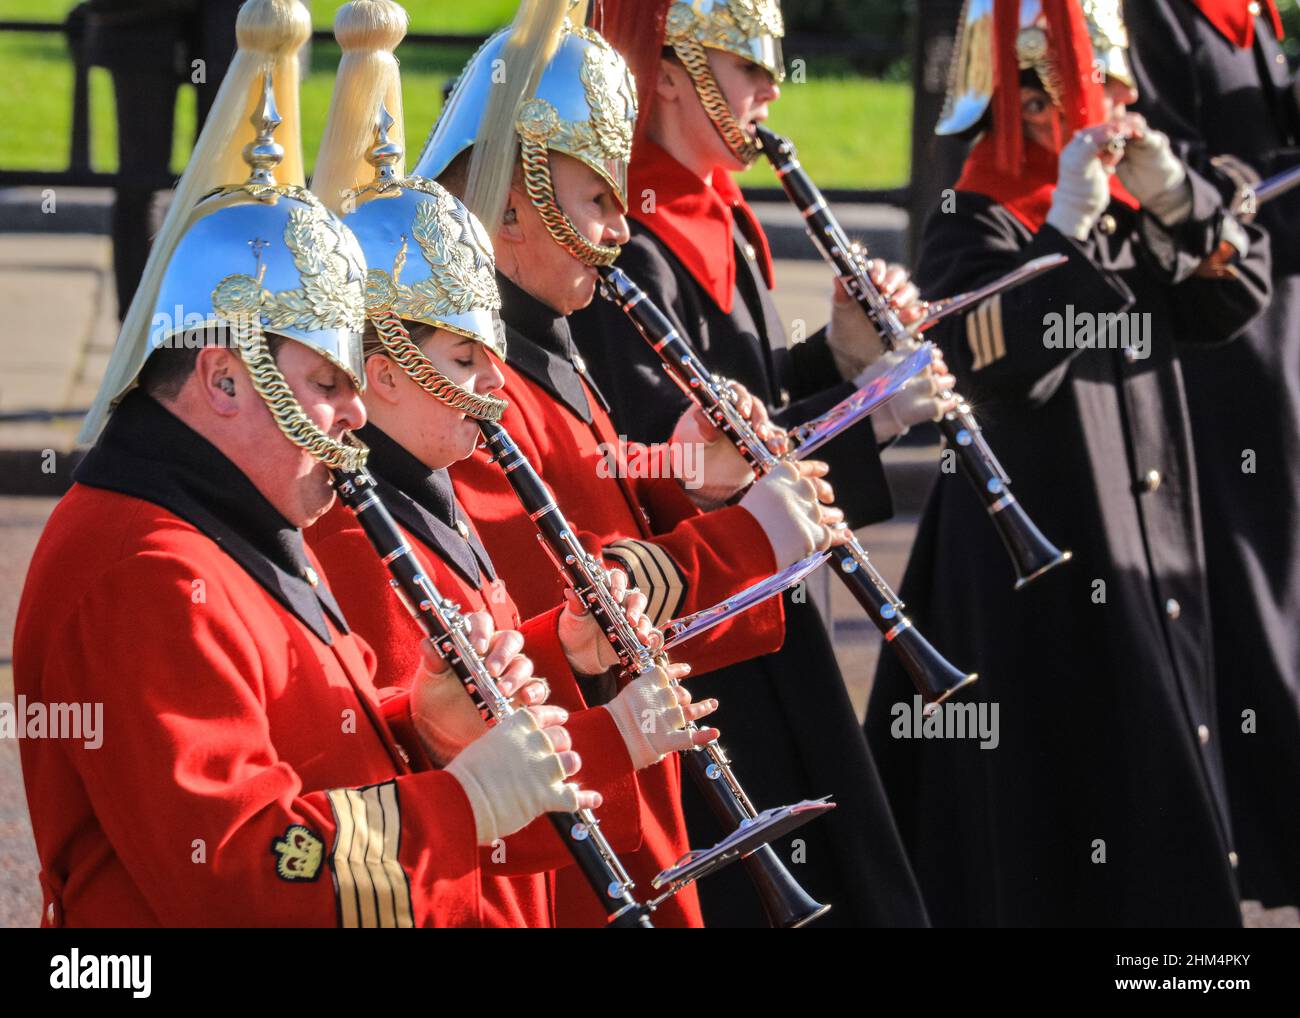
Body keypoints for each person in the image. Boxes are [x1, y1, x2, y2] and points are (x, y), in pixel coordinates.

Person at [15, 0, 585, 928]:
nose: (356, 413)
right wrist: (463, 805)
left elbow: (309, 758)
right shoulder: (148, 572)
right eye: (326, 380)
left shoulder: (228, 514)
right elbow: (241, 873)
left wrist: (417, 724)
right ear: (224, 377)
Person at [414, 0, 844, 927]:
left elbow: (594, 489)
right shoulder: (464, 375)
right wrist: (747, 541)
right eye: (598, 200)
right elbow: (571, 604)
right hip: (558, 839)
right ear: (517, 199)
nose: (619, 230)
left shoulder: (539, 335)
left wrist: (693, 474)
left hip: (626, 792)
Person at [303, 0, 718, 927]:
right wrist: (607, 730)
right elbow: (381, 791)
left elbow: (484, 672)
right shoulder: (347, 513)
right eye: (460, 360)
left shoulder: (509, 389)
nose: (491, 385)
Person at [864, 0, 1272, 927]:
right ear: (1037, 102)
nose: (1123, 108)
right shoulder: (976, 216)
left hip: (1148, 556)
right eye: (1104, 87)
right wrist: (1064, 231)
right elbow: (998, 358)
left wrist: (1182, 202)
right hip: (1030, 590)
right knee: (1045, 832)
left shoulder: (1135, 217)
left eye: (1125, 87)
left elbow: (1238, 296)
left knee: (1162, 814)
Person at [558, 0, 941, 928]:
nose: (774, 87)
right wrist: (871, 418)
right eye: (747, 67)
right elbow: (684, 461)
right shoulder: (630, 243)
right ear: (671, 74)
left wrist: (843, 359)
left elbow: (758, 392)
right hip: (705, 628)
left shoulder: (722, 215)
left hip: (776, 594)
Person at [1124, 0, 1300, 914]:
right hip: (1213, 342)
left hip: (1280, 332)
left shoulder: (1258, 15)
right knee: (1238, 590)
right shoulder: (1157, 13)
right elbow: (1163, 170)